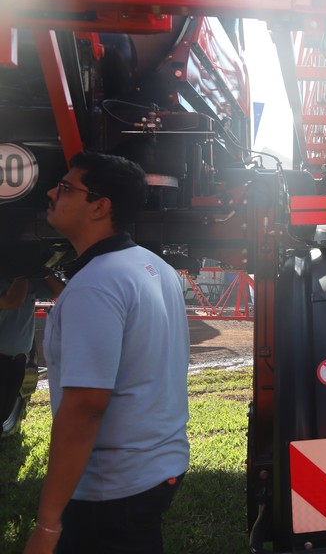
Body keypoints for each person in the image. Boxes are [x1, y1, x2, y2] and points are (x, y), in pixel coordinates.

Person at [26, 151, 190, 554]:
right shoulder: (154, 267)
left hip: (110, 487)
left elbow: (85, 407)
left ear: (100, 206)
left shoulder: (96, 284)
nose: (51, 191)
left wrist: (47, 525)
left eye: (66, 187)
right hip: (156, 468)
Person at [0, 274, 65, 436]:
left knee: (4, 415)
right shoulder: (21, 280)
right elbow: (13, 301)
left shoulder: (28, 280)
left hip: (17, 362)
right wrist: (23, 272)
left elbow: (63, 292)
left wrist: (45, 270)